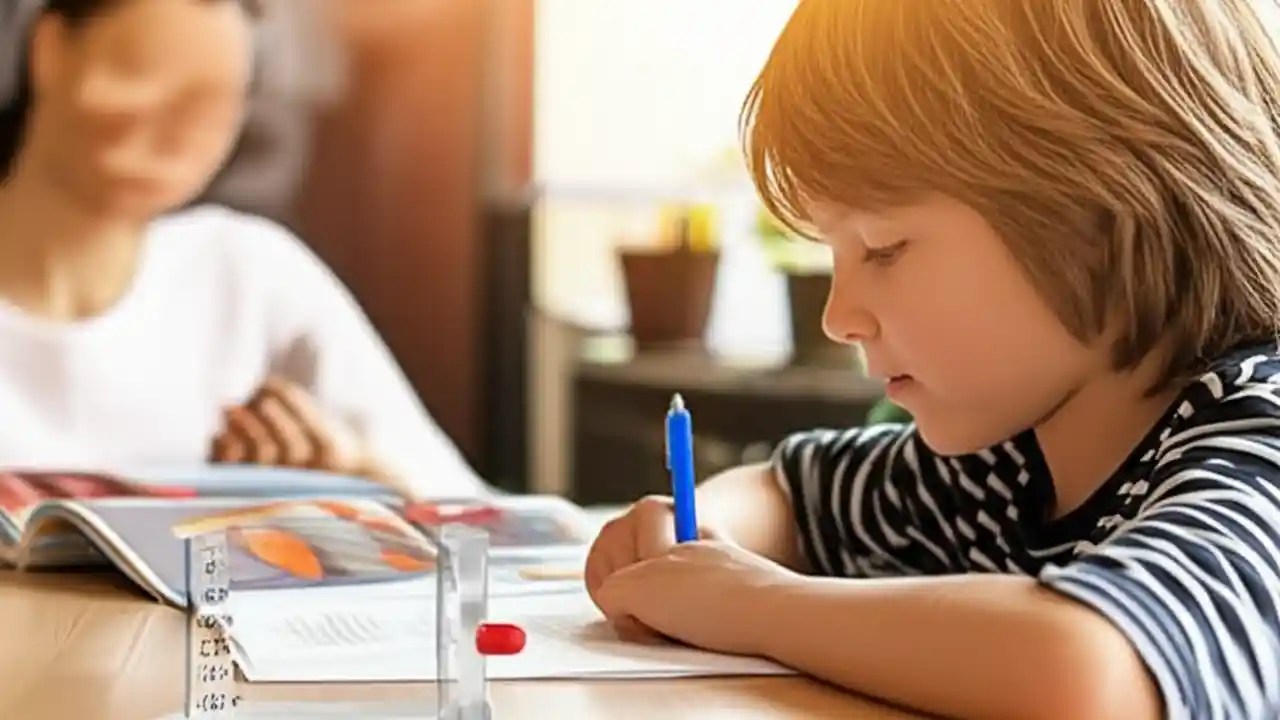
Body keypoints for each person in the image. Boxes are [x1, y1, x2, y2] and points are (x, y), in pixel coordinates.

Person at [586, 2, 1280, 719]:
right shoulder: (1007, 470)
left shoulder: (1259, 445)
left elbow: (1086, 670)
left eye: (883, 248)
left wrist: (748, 602)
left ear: (1098, 217)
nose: (838, 316)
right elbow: (795, 498)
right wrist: (696, 536)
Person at [0, 0, 485, 499]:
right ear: (50, 49)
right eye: (142, 76)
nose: (175, 130)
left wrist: (360, 477)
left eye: (212, 105)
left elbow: (467, 509)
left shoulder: (250, 274)